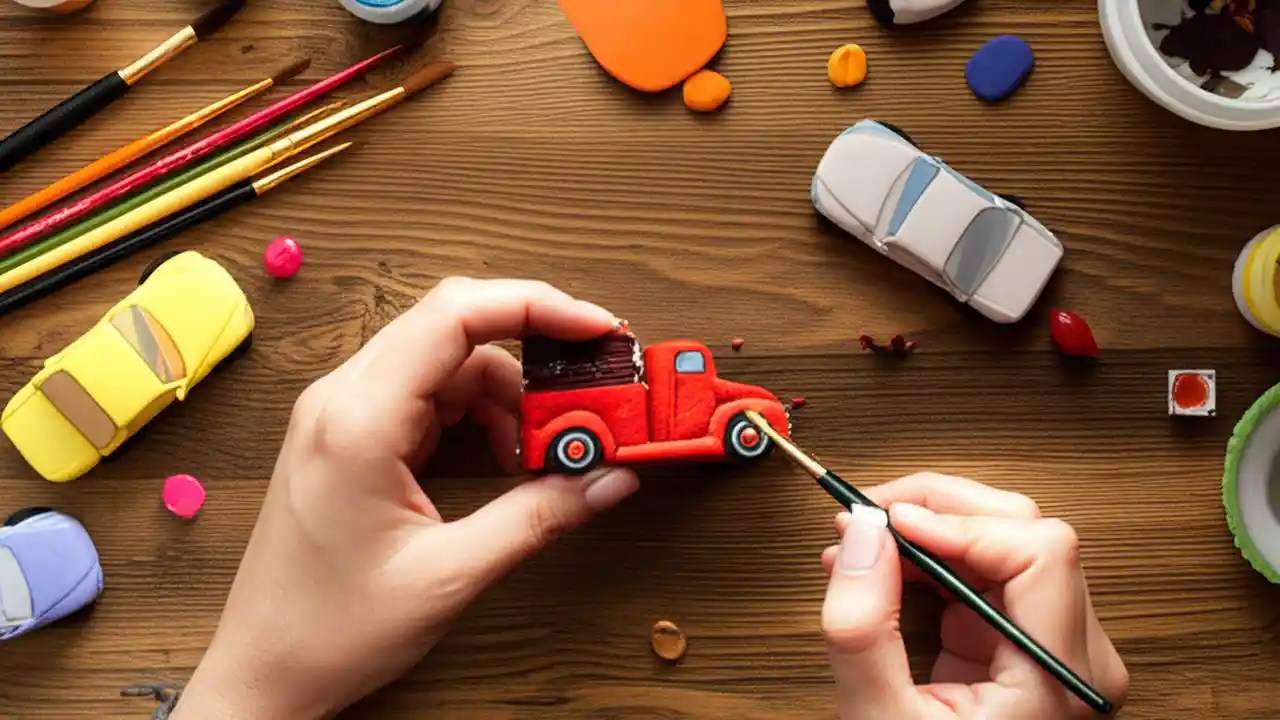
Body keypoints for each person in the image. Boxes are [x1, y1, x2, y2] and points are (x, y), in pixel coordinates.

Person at [166, 278, 1129, 720]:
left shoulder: (715, 413)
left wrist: (249, 695)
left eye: (697, 376)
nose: (713, 393)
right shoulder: (602, 415)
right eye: (695, 376)